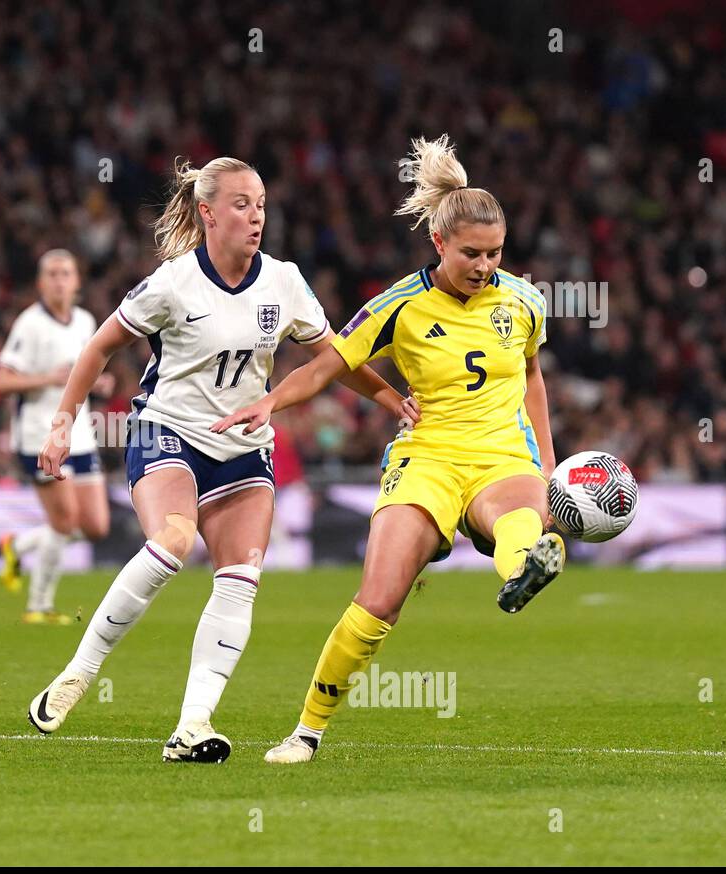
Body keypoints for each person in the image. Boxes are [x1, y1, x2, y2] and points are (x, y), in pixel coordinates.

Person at [26, 157, 419, 762]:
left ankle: (193, 727)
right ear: (207, 214)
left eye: (261, 203)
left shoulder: (284, 282)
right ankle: (79, 671)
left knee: (241, 577)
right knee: (176, 540)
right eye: (241, 204)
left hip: (242, 447)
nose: (256, 215)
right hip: (169, 430)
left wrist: (394, 399)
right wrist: (61, 422)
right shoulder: (173, 283)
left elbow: (335, 357)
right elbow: (101, 345)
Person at [212, 135, 561, 764]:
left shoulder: (525, 300)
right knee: (377, 602)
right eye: (471, 255)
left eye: (496, 254)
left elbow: (532, 377)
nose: (484, 267)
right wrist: (272, 402)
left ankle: (525, 569)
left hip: (503, 456)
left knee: (519, 521)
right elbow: (329, 364)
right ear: (438, 243)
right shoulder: (397, 306)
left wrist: (549, 462)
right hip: (425, 459)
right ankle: (306, 732)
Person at [0, 250, 112, 624]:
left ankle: (19, 546)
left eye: (66, 273)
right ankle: (38, 606)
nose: (60, 280)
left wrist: (99, 382)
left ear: (77, 281)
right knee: (63, 523)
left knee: (95, 526)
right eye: (53, 274)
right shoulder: (29, 324)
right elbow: (1, 381)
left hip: (79, 434)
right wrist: (49, 377)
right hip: (39, 436)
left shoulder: (86, 320)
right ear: (41, 283)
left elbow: (87, 371)